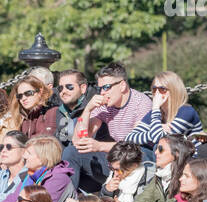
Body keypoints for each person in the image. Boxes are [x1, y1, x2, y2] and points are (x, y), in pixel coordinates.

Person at [63, 62, 151, 192]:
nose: (102, 93)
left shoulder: (141, 103)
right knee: (71, 152)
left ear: (122, 85)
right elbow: (78, 141)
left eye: (107, 87)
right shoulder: (105, 105)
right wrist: (87, 109)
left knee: (139, 153)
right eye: (100, 88)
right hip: (116, 158)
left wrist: (100, 146)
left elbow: (135, 145)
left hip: (140, 158)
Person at [117, 134, 190, 202]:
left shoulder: (186, 176)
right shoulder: (160, 175)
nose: (155, 152)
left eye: (160, 149)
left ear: (176, 153)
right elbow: (142, 199)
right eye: (156, 148)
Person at [124, 71, 203, 150]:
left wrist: (155, 108)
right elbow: (129, 138)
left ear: (174, 91)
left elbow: (159, 139)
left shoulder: (186, 111)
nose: (157, 93)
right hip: (171, 158)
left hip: (193, 159)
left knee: (156, 147)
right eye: (154, 89)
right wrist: (155, 129)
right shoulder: (156, 113)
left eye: (162, 89)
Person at [5, 74, 59, 140]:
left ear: (40, 92)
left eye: (28, 93)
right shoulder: (27, 117)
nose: (23, 98)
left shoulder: (52, 111)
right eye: (20, 96)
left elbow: (45, 144)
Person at [54, 70, 90, 146]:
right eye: (60, 88)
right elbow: (63, 140)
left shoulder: (92, 110)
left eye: (69, 87)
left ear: (83, 88)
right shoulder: (60, 111)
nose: (63, 91)